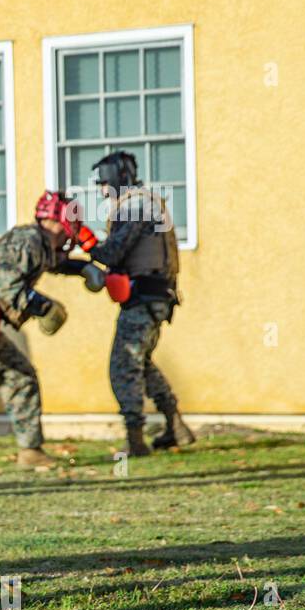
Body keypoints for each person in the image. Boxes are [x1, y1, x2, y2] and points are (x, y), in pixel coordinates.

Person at [0, 190, 107, 466]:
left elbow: (55, 263)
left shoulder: (41, 245)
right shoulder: (29, 239)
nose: (76, 230)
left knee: (21, 376)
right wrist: (44, 307)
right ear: (61, 220)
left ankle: (31, 452)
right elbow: (6, 283)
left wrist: (82, 269)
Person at [86, 151, 193, 456]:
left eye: (104, 183)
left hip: (144, 299)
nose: (101, 190)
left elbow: (112, 253)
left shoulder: (135, 206)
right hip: (155, 298)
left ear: (120, 178)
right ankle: (176, 427)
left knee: (122, 366)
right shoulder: (144, 202)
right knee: (141, 364)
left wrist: (85, 241)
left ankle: (135, 440)